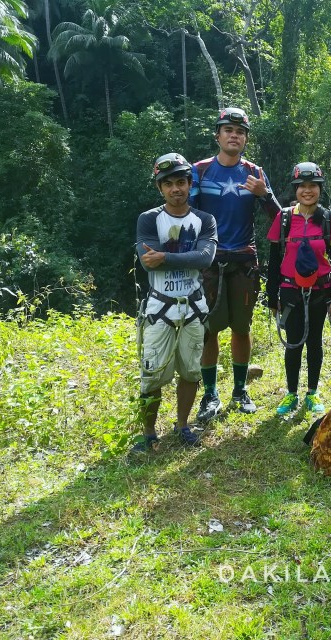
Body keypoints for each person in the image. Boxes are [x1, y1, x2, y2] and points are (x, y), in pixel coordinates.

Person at [190, 107, 280, 421]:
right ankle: (210, 394)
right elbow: (184, 214)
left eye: (240, 132)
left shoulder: (254, 172)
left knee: (241, 328)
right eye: (228, 130)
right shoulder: (198, 171)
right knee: (209, 330)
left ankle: (240, 390)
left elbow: (280, 220)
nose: (234, 135)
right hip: (209, 262)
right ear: (217, 135)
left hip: (243, 260)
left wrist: (264, 193)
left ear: (245, 139)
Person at [134, 153, 218, 452]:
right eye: (168, 184)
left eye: (180, 182)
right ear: (160, 188)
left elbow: (205, 258)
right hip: (160, 308)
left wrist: (166, 257)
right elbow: (147, 263)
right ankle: (147, 433)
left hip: (193, 307)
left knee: (191, 370)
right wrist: (184, 258)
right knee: (152, 374)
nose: (175, 189)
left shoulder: (204, 220)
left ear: (189, 183)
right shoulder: (149, 219)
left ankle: (182, 425)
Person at [266, 162, 331, 416]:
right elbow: (274, 258)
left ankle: (312, 392)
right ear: (295, 189)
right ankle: (291, 393)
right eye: (302, 186)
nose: (307, 191)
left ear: (319, 189)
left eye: (313, 186)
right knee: (293, 343)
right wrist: (271, 294)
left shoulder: (328, 219)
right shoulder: (284, 217)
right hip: (290, 290)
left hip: (320, 291)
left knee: (314, 342)